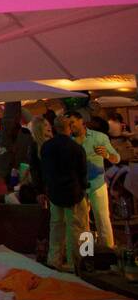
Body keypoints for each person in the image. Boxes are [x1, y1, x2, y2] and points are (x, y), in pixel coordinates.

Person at [66, 110, 120, 250]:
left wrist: (107, 154)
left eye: (72, 122)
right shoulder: (69, 141)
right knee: (83, 223)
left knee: (102, 219)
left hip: (97, 183)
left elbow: (116, 158)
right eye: (68, 123)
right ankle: (87, 255)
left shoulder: (99, 137)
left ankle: (108, 252)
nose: (70, 126)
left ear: (81, 121)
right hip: (79, 186)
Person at [41, 116, 90, 271]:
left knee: (56, 226)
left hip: (55, 191)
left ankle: (54, 260)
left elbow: (45, 170)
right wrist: (84, 188)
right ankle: (77, 262)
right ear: (68, 127)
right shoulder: (75, 147)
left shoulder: (46, 147)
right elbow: (82, 171)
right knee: (77, 228)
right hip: (73, 191)